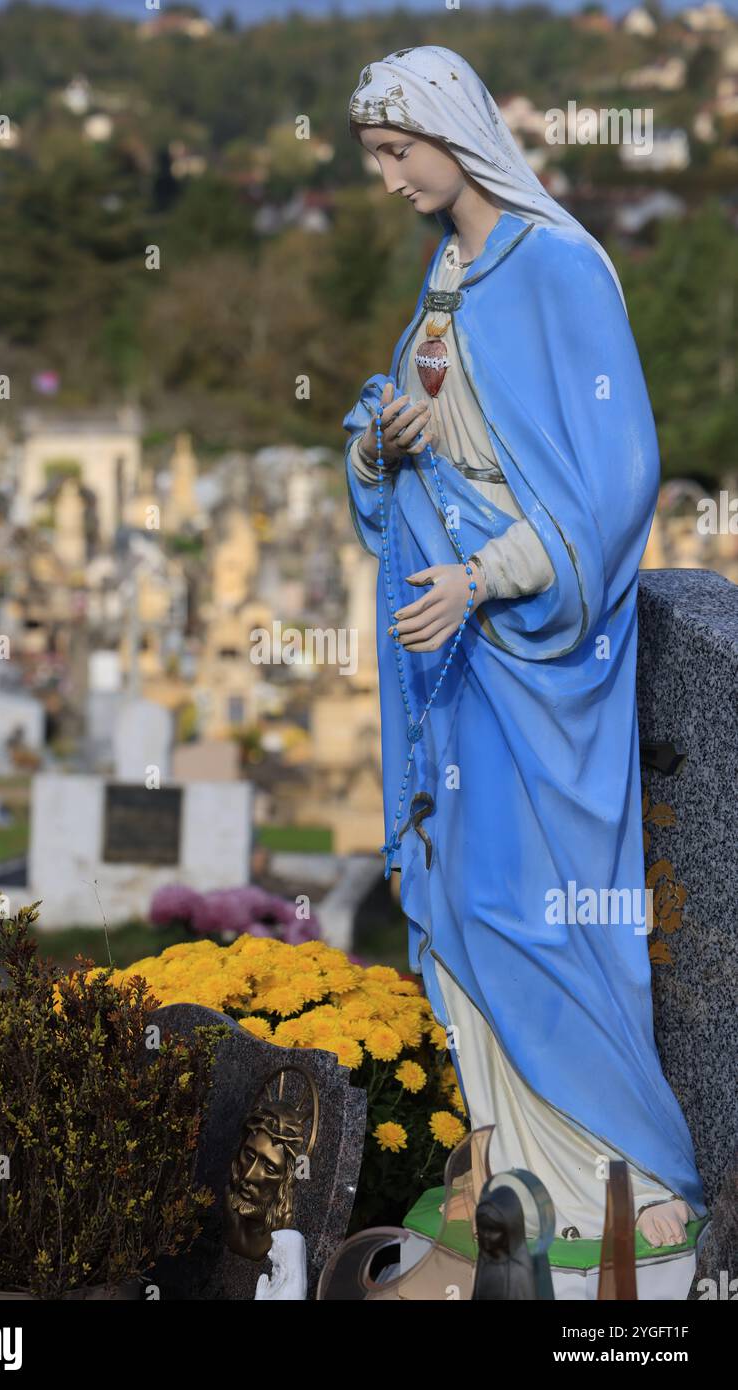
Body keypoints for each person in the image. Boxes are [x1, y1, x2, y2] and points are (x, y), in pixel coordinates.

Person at [341, 46, 707, 1273]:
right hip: (457, 659)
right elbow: (426, 447)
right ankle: (504, 1153)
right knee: (454, 893)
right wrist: (383, 446)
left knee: (540, 902)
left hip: (539, 649)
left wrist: (486, 575)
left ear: (453, 132)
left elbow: (615, 480)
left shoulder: (558, 271)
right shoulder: (446, 277)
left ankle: (624, 1168)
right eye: (375, 159)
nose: (388, 179)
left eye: (398, 152)